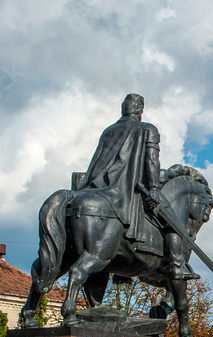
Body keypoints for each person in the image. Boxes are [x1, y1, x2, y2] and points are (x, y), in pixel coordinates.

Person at [77, 93, 197, 282]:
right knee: (173, 221)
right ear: (140, 109)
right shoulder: (148, 129)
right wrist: (154, 188)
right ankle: (177, 266)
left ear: (123, 108)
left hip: (98, 186)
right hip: (128, 187)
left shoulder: (108, 130)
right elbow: (151, 161)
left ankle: (120, 269)